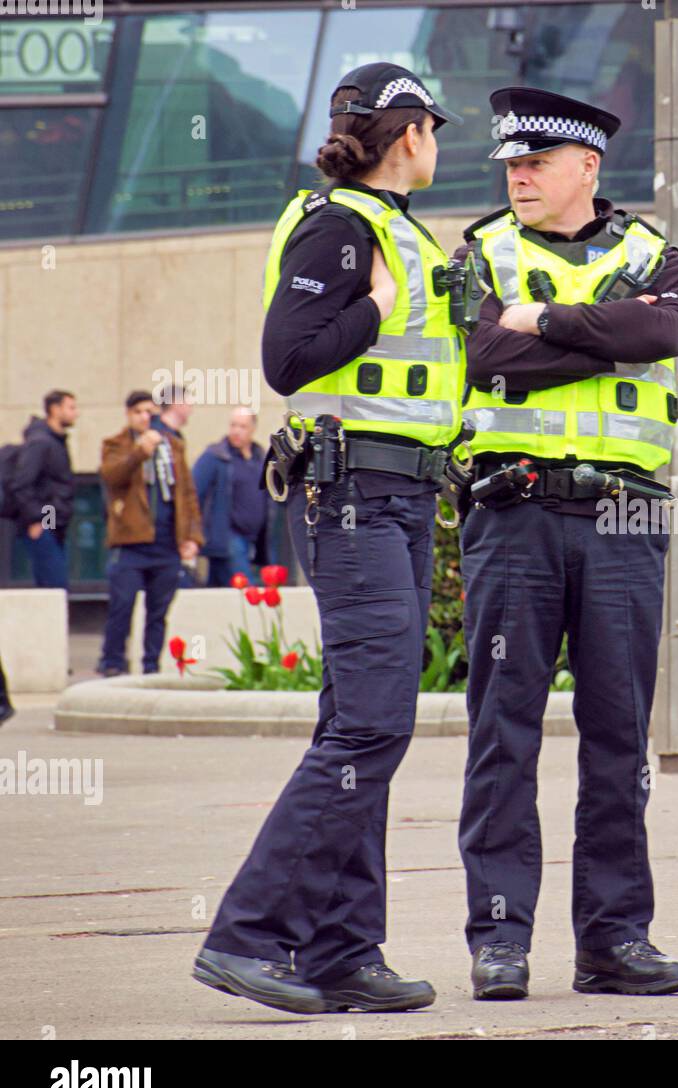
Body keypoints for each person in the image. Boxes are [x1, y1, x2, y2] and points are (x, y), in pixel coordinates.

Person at [193, 63, 470, 1015]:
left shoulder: (393, 228)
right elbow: (288, 357)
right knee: (371, 724)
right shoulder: (340, 227)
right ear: (410, 137)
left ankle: (343, 949)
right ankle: (249, 936)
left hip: (398, 495)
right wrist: (378, 307)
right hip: (356, 497)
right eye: (435, 128)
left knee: (358, 724)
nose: (440, 143)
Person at [453, 87, 678, 1001]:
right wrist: (607, 337)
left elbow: (664, 329)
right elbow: (480, 356)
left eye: (536, 162)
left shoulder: (651, 251)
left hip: (626, 520)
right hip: (513, 515)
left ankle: (615, 939)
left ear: (586, 168)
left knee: (618, 738)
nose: (517, 174)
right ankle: (501, 941)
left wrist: (547, 321)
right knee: (501, 734)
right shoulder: (481, 254)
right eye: (512, 163)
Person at [98, 388, 202, 677]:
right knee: (122, 607)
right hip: (130, 542)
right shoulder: (116, 444)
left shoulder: (172, 445)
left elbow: (187, 494)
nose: (145, 418)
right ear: (128, 415)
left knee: (158, 612)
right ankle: (112, 663)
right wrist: (138, 452)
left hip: (167, 543)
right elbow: (111, 476)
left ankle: (151, 666)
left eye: (150, 413)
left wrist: (192, 536)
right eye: (139, 412)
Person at [193, 407, 271, 587]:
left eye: (243, 426)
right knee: (246, 588)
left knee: (218, 588)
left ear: (253, 428)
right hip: (227, 535)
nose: (236, 431)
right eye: (233, 425)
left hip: (254, 538)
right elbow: (194, 494)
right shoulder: (215, 456)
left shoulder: (260, 457)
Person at [13, 390, 78, 588]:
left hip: (55, 520)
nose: (76, 413)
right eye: (71, 408)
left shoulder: (55, 441)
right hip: (45, 519)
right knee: (54, 585)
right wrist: (37, 520)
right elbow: (22, 484)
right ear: (55, 409)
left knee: (54, 585)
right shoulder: (40, 442)